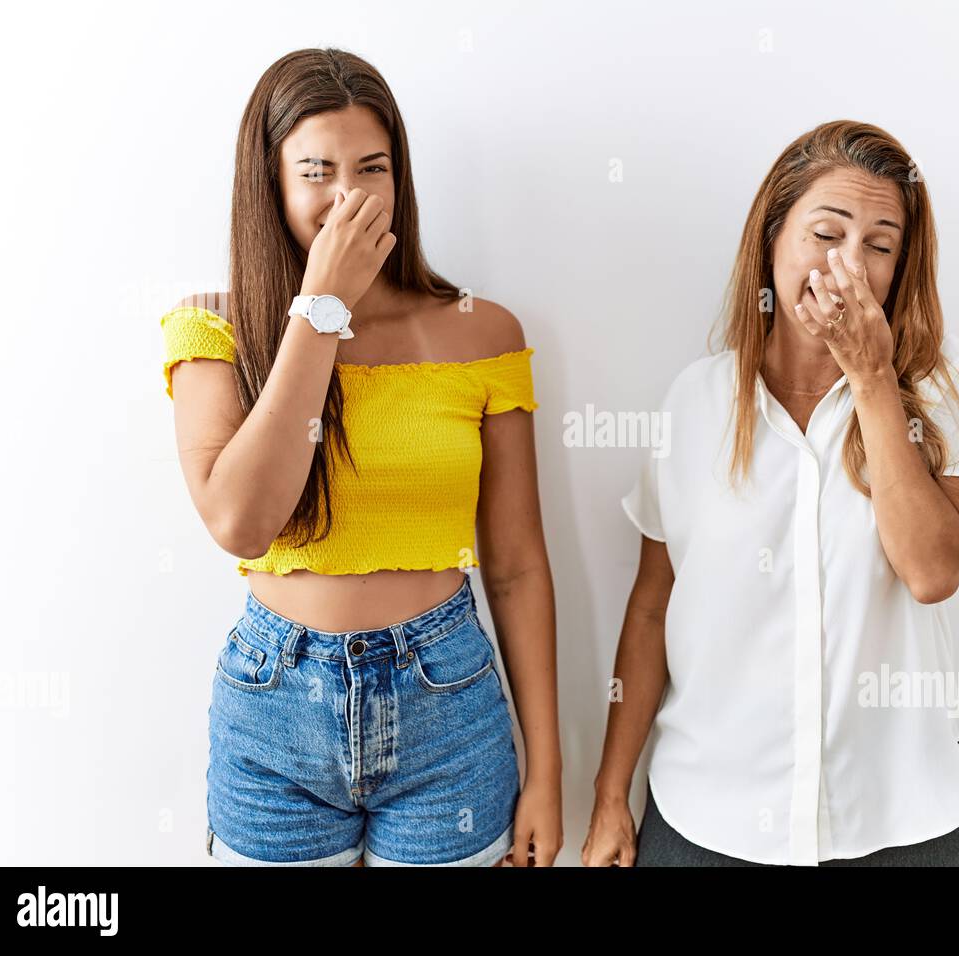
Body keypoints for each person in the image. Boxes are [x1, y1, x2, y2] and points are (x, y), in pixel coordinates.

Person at [162, 48, 561, 867]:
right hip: (275, 713)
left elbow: (517, 566)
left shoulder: (481, 333)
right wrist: (321, 308)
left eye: (372, 168)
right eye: (317, 170)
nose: (349, 195)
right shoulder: (215, 331)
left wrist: (549, 770)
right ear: (270, 181)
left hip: (448, 705)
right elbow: (241, 521)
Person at [583, 120, 959, 867]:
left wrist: (874, 379)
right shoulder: (696, 401)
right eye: (826, 233)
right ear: (772, 239)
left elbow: (933, 572)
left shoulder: (938, 384)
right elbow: (652, 606)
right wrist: (612, 793)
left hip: (905, 826)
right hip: (710, 824)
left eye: (879, 245)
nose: (850, 264)